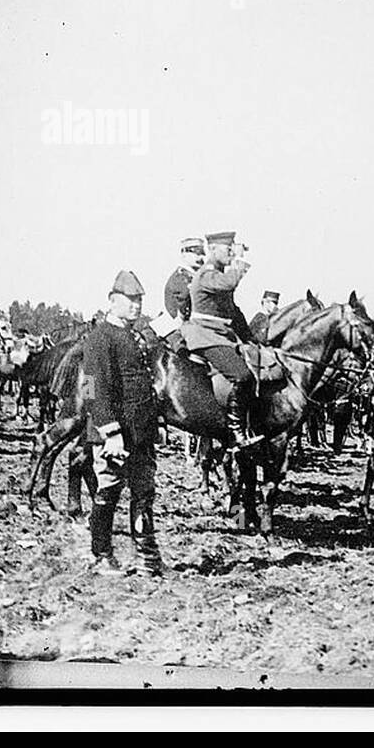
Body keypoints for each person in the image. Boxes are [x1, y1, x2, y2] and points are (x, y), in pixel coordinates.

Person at [81, 270, 163, 576]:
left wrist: (156, 424)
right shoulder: (100, 337)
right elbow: (91, 389)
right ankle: (101, 555)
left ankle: (147, 559)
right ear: (112, 301)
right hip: (113, 435)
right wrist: (109, 432)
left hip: (141, 432)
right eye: (130, 300)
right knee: (110, 490)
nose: (136, 306)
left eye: (139, 300)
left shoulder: (134, 337)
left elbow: (142, 385)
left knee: (144, 492)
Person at [182, 230, 260, 448]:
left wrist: (250, 339)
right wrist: (240, 260)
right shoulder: (207, 274)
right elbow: (228, 283)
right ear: (213, 249)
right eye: (228, 249)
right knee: (242, 376)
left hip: (221, 335)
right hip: (205, 336)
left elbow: (233, 312)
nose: (231, 253)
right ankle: (235, 429)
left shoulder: (216, 272)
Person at [159, 236, 205, 350]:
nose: (200, 257)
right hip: (179, 325)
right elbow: (183, 306)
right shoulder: (181, 278)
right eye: (196, 253)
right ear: (184, 254)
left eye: (202, 253)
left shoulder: (195, 277)